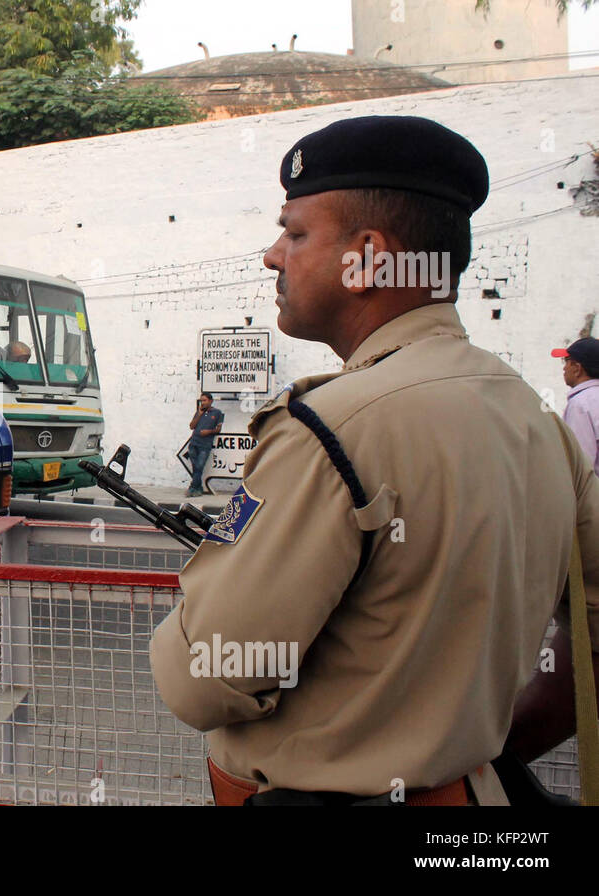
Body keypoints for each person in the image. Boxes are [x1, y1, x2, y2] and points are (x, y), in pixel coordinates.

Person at [149, 115, 599, 806]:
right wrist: (480, 748)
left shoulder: (329, 430)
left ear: (366, 258)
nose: (273, 256)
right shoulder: (538, 422)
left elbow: (203, 683)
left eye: (296, 233)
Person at [552, 337, 599, 476]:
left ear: (577, 368)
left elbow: (582, 463)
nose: (564, 368)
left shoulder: (581, 404)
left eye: (567, 362)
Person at [186, 393, 223, 497]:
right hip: (194, 443)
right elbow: (192, 426)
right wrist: (200, 414)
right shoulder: (199, 412)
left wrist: (209, 432)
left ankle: (192, 487)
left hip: (205, 445)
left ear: (211, 401)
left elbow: (218, 429)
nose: (202, 403)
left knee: (199, 466)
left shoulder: (217, 413)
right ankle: (198, 488)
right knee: (195, 468)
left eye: (205, 400)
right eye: (201, 400)